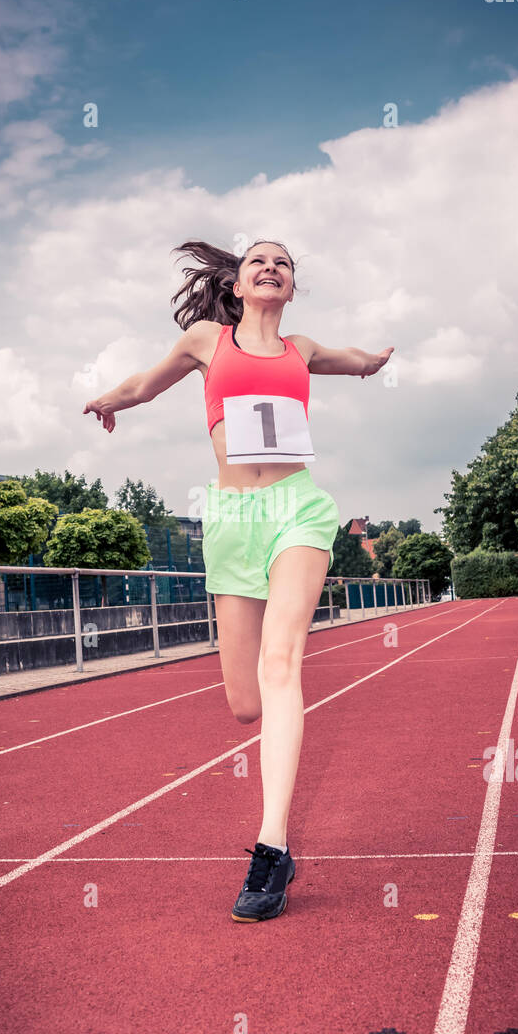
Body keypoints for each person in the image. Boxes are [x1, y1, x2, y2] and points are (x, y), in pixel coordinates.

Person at [84, 239, 393, 921]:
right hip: (230, 518)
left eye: (284, 263)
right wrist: (109, 399)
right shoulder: (205, 340)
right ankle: (272, 834)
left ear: (289, 287)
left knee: (283, 665)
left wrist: (375, 363)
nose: (271, 266)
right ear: (239, 281)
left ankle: (271, 847)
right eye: (260, 259)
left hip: (297, 511)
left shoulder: (302, 350)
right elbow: (144, 383)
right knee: (244, 703)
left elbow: (352, 361)